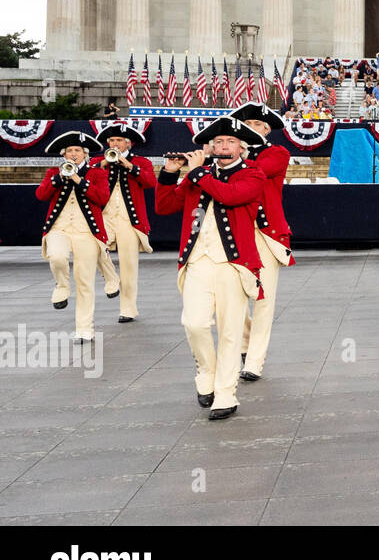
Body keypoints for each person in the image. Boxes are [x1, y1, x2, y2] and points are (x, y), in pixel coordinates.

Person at [155, 116, 268, 421]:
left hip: (234, 265)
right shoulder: (198, 176)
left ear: (241, 148)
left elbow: (231, 197)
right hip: (197, 262)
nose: (222, 146)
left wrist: (197, 173)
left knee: (230, 333)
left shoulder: (253, 174)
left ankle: (226, 394)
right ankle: (206, 371)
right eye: (217, 142)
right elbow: (164, 207)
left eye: (229, 142)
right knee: (194, 324)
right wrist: (169, 174)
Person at [229, 102, 294, 381]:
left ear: (266, 130)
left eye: (256, 125)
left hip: (267, 234)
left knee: (264, 297)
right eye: (247, 125)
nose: (250, 129)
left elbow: (256, 172)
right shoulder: (230, 156)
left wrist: (231, 156)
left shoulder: (277, 153)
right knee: (234, 294)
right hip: (237, 231)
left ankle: (255, 360)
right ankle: (245, 343)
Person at [37, 131, 110, 343]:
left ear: (85, 154)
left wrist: (79, 179)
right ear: (64, 155)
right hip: (59, 228)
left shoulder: (97, 174)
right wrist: (59, 178)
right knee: (57, 257)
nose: (73, 154)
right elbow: (41, 195)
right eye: (69, 151)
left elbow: (102, 198)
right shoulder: (53, 172)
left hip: (86, 231)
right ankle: (61, 285)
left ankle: (84, 329)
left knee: (84, 280)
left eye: (77, 150)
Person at [90, 123, 155, 324]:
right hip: (105, 215)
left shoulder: (141, 161)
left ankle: (128, 309)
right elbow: (86, 180)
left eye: (119, 140)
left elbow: (150, 182)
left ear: (128, 143)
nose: (115, 144)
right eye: (112, 141)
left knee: (129, 264)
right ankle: (112, 279)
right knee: (95, 248)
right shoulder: (98, 161)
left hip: (130, 219)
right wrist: (102, 166)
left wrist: (128, 166)